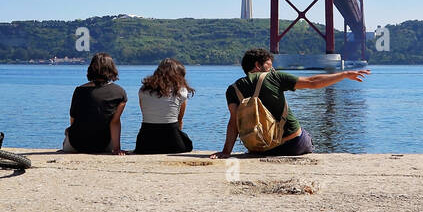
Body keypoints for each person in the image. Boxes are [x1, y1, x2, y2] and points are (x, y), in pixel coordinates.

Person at [211, 48, 370, 158]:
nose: (272, 69)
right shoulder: (274, 77)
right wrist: (343, 74)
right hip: (292, 145)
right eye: (269, 65)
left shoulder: (233, 89)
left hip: (258, 148)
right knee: (306, 134)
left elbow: (233, 123)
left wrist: (226, 151)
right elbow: (312, 82)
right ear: (258, 66)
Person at [63, 52, 128, 155]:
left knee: (68, 131)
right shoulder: (120, 92)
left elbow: (73, 120)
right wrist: (117, 148)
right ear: (112, 69)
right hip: (103, 144)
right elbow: (115, 122)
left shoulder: (79, 90)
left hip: (76, 144)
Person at [133, 58, 195, 154]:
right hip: (174, 143)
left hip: (145, 143)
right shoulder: (181, 91)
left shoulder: (143, 90)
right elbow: (180, 119)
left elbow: (145, 113)